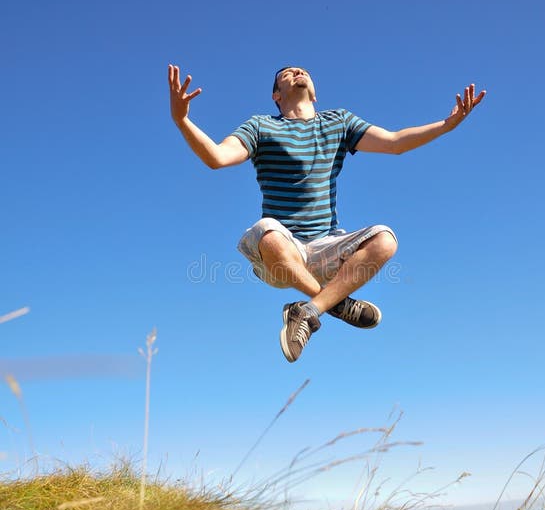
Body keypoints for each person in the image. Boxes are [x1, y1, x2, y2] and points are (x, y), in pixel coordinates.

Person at [169, 64, 486, 362]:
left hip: (325, 247)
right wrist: (182, 121)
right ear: (276, 95)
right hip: (280, 256)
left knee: (385, 239)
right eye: (286, 74)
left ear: (315, 94)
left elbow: (394, 143)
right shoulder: (260, 126)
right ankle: (336, 304)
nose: (297, 71)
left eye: (302, 70)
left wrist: (447, 125)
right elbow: (218, 157)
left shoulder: (339, 122)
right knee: (269, 231)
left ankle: (309, 311)